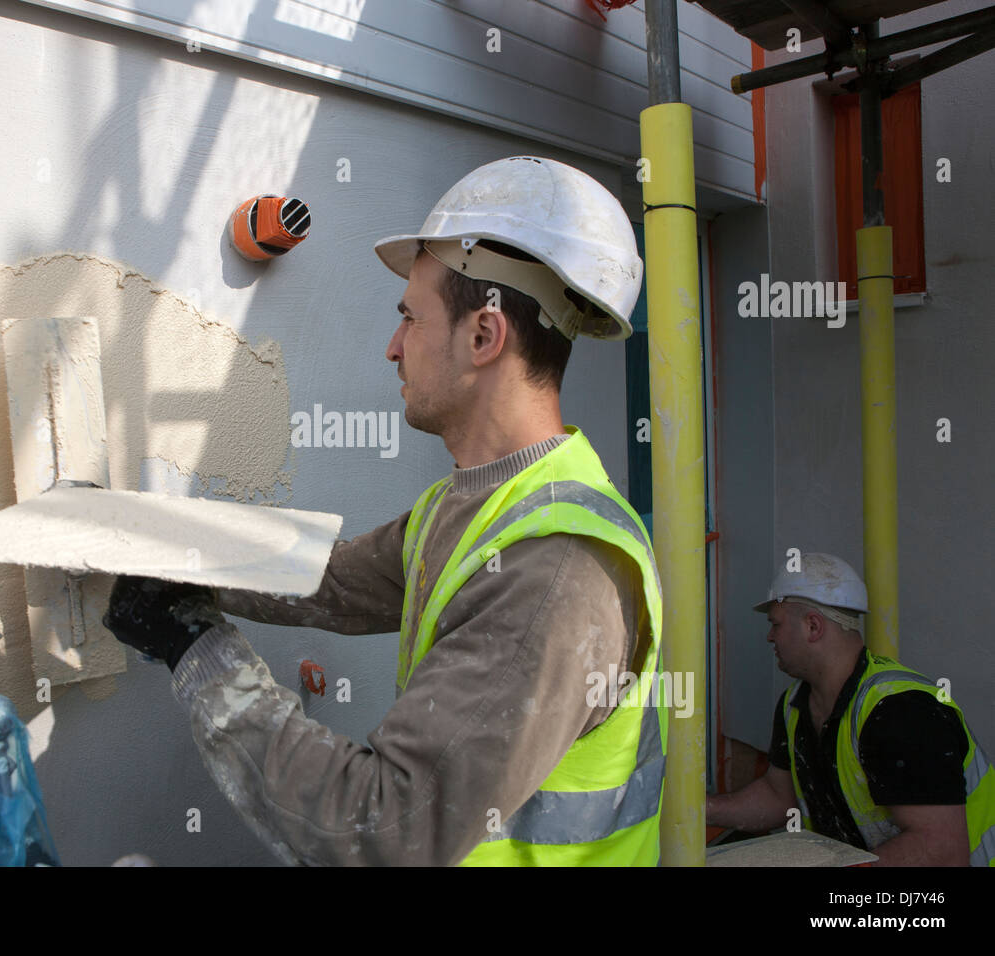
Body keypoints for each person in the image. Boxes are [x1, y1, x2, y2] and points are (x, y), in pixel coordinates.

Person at [103, 156, 665, 866]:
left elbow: (381, 833)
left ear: (484, 336)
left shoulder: (555, 570)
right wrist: (160, 542)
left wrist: (196, 648)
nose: (392, 347)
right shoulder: (473, 508)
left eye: (409, 318)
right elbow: (328, 579)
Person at [705, 552, 994, 866]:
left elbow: (940, 852)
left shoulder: (902, 711)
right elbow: (779, 796)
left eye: (775, 624)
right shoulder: (795, 704)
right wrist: (699, 810)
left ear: (813, 626)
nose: (769, 636)